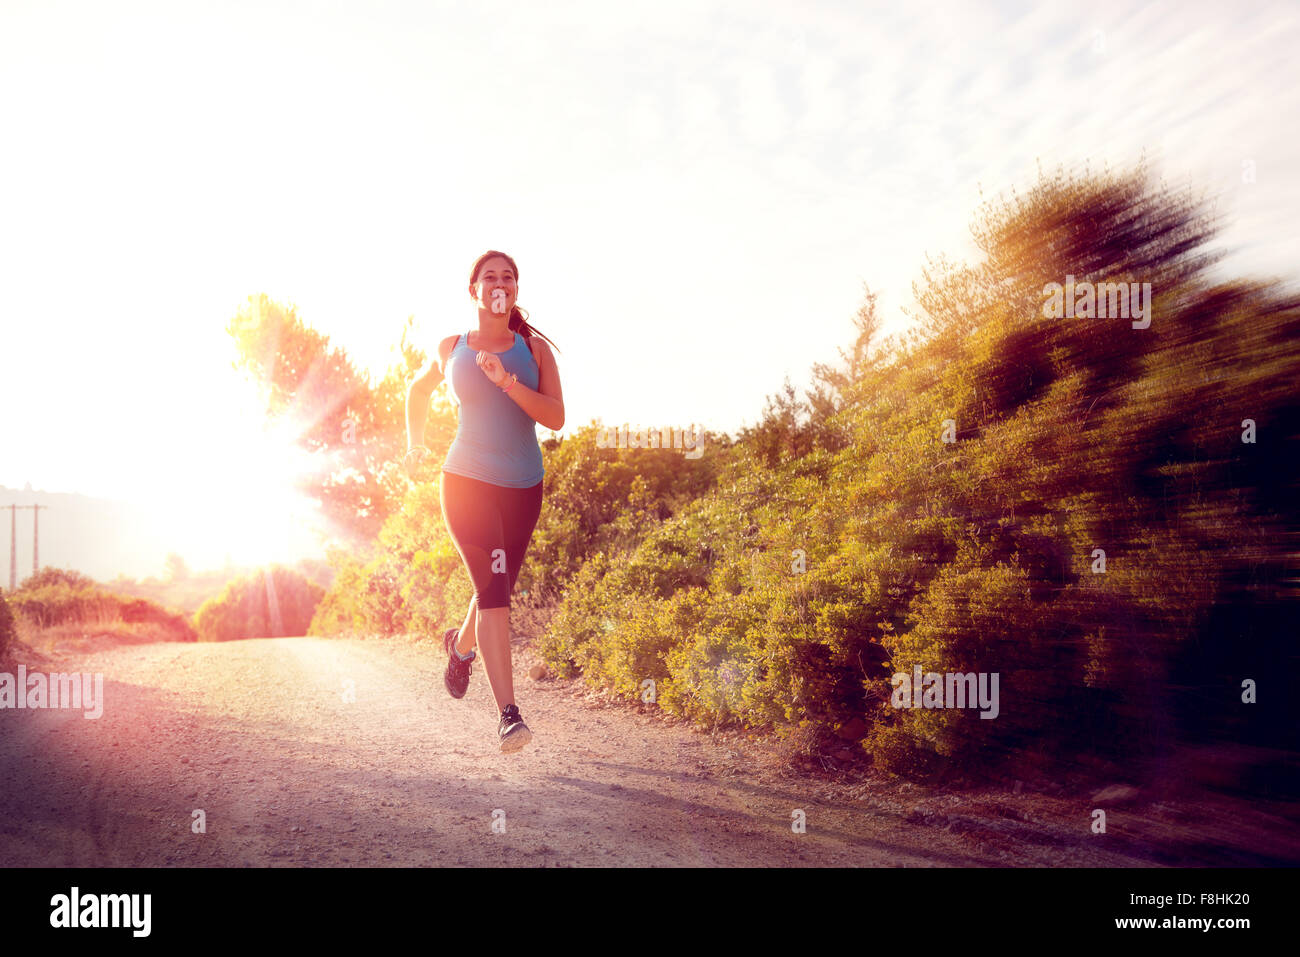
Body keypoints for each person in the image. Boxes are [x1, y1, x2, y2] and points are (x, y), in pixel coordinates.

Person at [403, 250, 565, 752]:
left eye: (509, 277)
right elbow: (417, 391)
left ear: (516, 291)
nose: (500, 283)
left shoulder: (535, 352)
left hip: (523, 487)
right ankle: (509, 716)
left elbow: (556, 417)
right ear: (474, 290)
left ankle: (460, 647)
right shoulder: (451, 347)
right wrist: (415, 443)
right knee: (495, 595)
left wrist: (507, 382)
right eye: (490, 277)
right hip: (466, 481)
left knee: (494, 584)